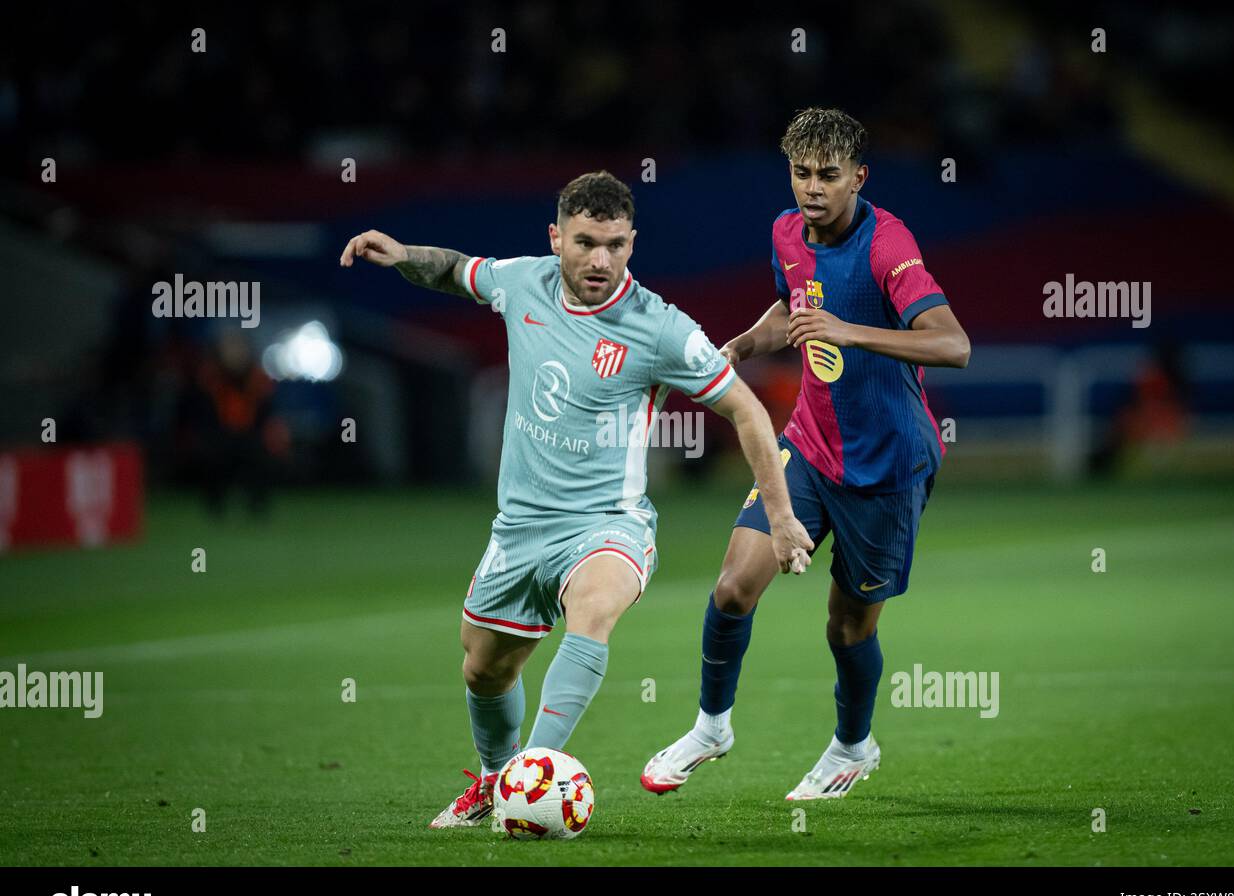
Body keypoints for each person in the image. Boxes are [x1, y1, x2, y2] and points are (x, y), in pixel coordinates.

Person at [339, 170, 814, 827]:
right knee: (483, 669)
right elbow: (454, 270)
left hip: (609, 525)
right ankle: (495, 777)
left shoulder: (661, 329)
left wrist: (782, 515)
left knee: (593, 608)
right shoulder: (523, 280)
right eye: (587, 242)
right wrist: (402, 256)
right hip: (522, 528)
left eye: (616, 245)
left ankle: (530, 782)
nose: (601, 259)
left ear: (632, 243)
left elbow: (749, 412)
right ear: (556, 237)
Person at [641, 108, 971, 800]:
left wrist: (853, 331)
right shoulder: (785, 233)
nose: (811, 188)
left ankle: (853, 746)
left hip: (887, 467)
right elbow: (789, 307)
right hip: (810, 448)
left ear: (859, 176)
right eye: (800, 172)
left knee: (847, 626)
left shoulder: (888, 246)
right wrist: (741, 345)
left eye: (827, 174)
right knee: (733, 586)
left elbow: (952, 344)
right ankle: (711, 725)